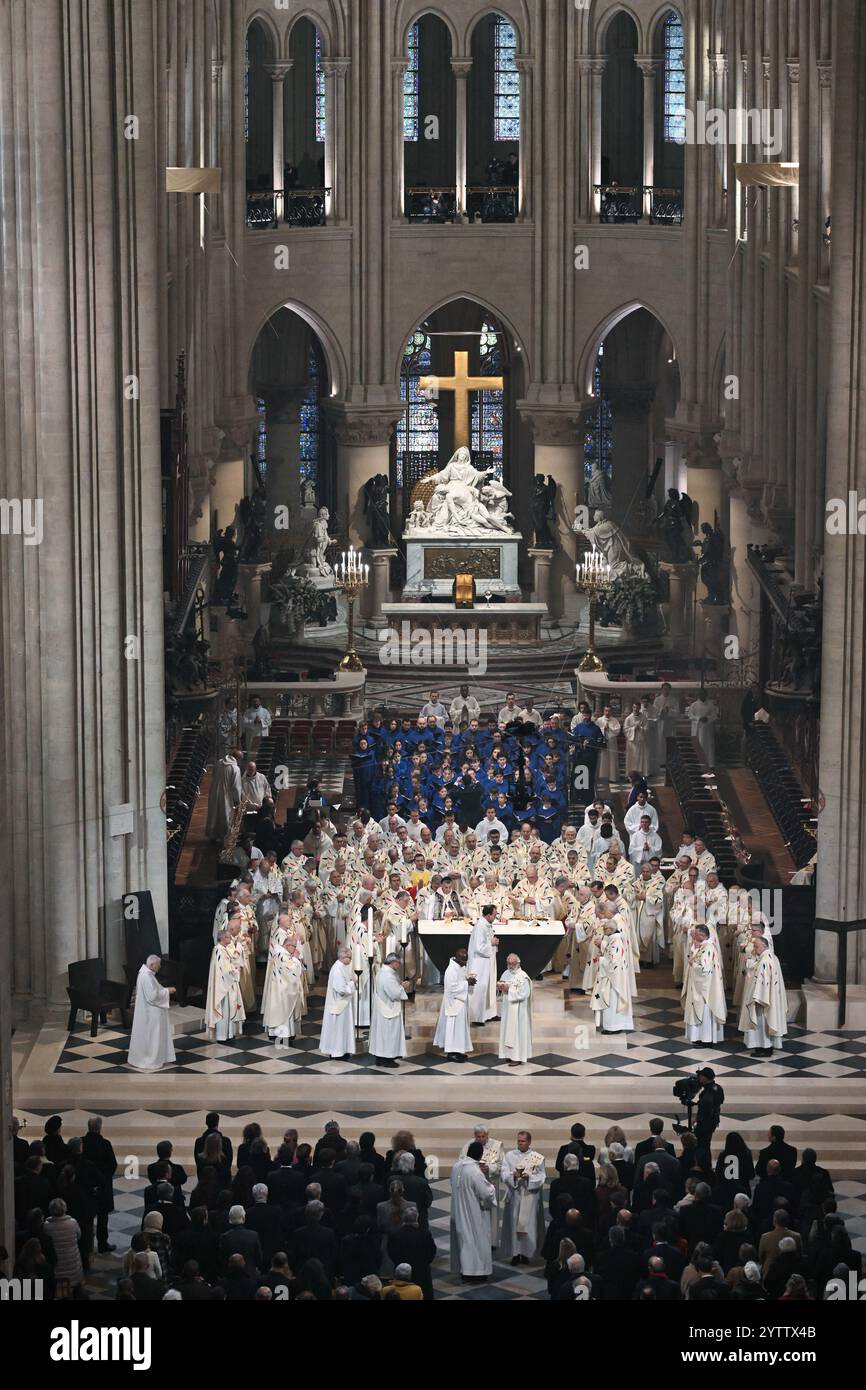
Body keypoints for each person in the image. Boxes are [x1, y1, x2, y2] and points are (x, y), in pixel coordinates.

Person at [450, 1142, 497, 1282]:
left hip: (459, 1211)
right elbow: (486, 1194)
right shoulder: (475, 1171)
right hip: (474, 1214)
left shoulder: (456, 1166)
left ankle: (465, 1271)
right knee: (477, 1240)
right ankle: (477, 1272)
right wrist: (492, 1187)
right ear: (480, 1155)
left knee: (464, 1241)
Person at [500, 1132, 546, 1265]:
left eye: (523, 1141)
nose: (520, 1143)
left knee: (528, 1225)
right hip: (515, 1195)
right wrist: (512, 1176)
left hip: (529, 1196)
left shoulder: (536, 1158)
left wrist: (529, 1178)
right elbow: (503, 1172)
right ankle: (515, 1253)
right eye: (518, 1141)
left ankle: (526, 1253)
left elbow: (542, 1176)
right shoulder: (510, 1156)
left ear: (529, 1142)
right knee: (514, 1223)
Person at [738, 936, 789, 1055]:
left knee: (761, 1023)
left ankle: (764, 1048)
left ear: (765, 946)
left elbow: (762, 982)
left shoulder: (765, 961)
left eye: (756, 947)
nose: (754, 950)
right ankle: (767, 1047)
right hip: (769, 997)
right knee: (765, 1023)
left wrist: (756, 998)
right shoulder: (771, 957)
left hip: (762, 999)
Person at [127, 955, 176, 1071]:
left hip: (147, 1012)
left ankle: (145, 1058)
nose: (159, 968)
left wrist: (164, 990)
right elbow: (153, 996)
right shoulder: (147, 977)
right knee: (152, 1037)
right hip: (151, 1014)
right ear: (152, 965)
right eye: (158, 965)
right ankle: (151, 1060)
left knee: (147, 1037)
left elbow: (155, 990)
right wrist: (167, 991)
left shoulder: (145, 974)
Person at [682, 925, 727, 1044]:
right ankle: (699, 1038)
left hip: (705, 990)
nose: (693, 936)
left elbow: (704, 970)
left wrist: (693, 964)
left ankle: (706, 1039)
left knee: (705, 1012)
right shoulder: (704, 946)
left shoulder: (708, 949)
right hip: (699, 987)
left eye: (696, 934)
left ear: (703, 936)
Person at [591, 918, 634, 1033]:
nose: (603, 931)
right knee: (609, 1000)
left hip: (614, 979)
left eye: (605, 929)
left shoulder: (616, 941)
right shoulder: (613, 939)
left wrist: (600, 959)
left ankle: (613, 1027)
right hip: (614, 976)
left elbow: (613, 962)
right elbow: (611, 955)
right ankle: (612, 1025)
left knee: (612, 1000)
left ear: (610, 929)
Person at [369, 954, 410, 1068]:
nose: (399, 964)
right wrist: (404, 987)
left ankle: (381, 1058)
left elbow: (391, 988)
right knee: (388, 1035)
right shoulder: (388, 975)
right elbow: (394, 993)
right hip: (388, 1009)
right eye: (398, 962)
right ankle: (386, 1059)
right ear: (393, 962)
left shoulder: (384, 973)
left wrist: (399, 985)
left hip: (384, 1008)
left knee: (383, 1035)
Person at [433, 947, 474, 1063]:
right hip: (453, 1003)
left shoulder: (460, 967)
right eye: (463, 960)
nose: (464, 963)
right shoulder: (451, 970)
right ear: (457, 958)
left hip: (460, 1002)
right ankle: (451, 1053)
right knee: (453, 1028)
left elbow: (461, 981)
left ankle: (458, 1050)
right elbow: (452, 988)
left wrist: (468, 980)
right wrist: (467, 983)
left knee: (458, 1029)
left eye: (466, 961)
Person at [205, 930, 246, 1041]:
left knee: (229, 1010)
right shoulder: (219, 950)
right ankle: (222, 1036)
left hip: (226, 985)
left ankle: (228, 1034)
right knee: (224, 1010)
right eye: (228, 938)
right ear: (222, 938)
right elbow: (224, 970)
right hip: (222, 987)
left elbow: (230, 962)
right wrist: (235, 971)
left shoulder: (223, 949)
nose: (230, 939)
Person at [319, 948, 357, 1059]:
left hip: (342, 1004)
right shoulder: (337, 969)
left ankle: (343, 1050)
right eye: (349, 957)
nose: (350, 960)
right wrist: (352, 983)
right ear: (343, 957)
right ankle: (337, 1052)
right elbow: (340, 988)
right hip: (338, 1005)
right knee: (338, 1029)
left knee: (342, 1028)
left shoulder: (341, 967)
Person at [497, 953, 533, 1065]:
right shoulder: (505, 973)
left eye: (512, 963)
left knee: (517, 1033)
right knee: (506, 1031)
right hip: (507, 1009)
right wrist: (500, 987)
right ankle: (508, 1054)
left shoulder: (523, 977)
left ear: (518, 963)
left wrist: (509, 990)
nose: (510, 965)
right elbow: (502, 988)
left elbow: (525, 994)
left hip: (518, 1011)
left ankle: (517, 1057)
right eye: (508, 963)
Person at [468, 905, 499, 1024]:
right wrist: (492, 942)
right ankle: (477, 1017)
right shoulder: (480, 926)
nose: (496, 916)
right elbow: (478, 947)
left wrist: (493, 943)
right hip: (480, 963)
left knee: (489, 987)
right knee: (480, 988)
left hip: (488, 962)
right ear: (488, 915)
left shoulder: (487, 925)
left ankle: (490, 1014)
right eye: (495, 914)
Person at [206, 751, 242, 843]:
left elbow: (213, 775)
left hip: (214, 791)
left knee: (214, 814)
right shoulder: (235, 768)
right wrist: (238, 801)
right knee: (225, 816)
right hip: (226, 795)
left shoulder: (219, 762)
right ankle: (224, 838)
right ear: (237, 758)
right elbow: (236, 787)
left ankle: (212, 836)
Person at [694, 1067, 725, 1170]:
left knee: (702, 1145)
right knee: (706, 1144)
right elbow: (720, 1102)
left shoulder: (708, 1093)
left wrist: (697, 1119)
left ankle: (703, 1166)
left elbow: (705, 1108)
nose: (699, 1078)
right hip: (713, 1120)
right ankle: (706, 1166)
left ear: (705, 1078)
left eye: (701, 1076)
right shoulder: (718, 1088)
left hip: (705, 1123)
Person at [685, 693, 720, 766]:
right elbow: (690, 715)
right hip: (697, 728)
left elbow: (714, 716)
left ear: (706, 695)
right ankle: (697, 763)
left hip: (707, 729)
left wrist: (707, 718)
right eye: (701, 694)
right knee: (698, 745)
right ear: (698, 695)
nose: (702, 696)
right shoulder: (694, 705)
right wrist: (699, 718)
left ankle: (710, 763)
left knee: (708, 746)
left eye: (704, 694)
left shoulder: (710, 705)